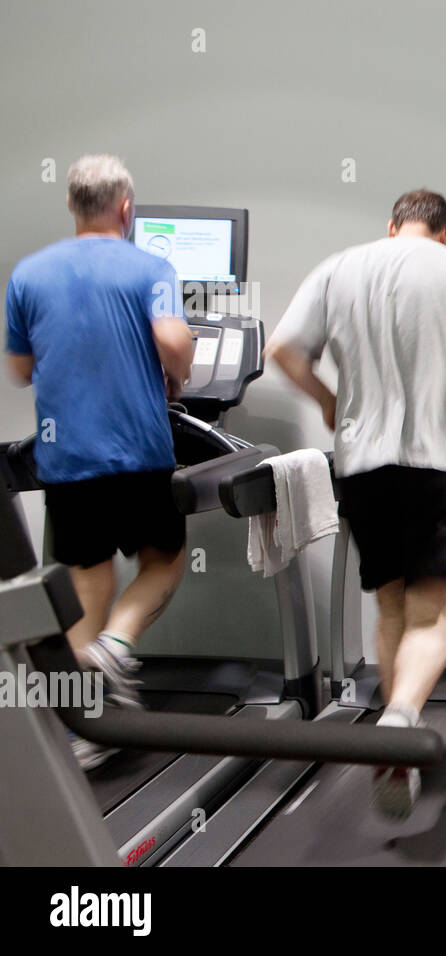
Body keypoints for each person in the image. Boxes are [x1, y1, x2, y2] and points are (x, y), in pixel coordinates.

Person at [266, 189, 446, 818]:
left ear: (393, 225)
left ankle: (390, 713)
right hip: (439, 464)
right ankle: (401, 720)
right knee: (435, 614)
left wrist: (327, 401)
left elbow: (283, 353)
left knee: (392, 604)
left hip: (365, 466)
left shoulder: (340, 267)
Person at [3, 154, 195, 769]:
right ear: (126, 208)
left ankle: (88, 730)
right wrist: (179, 369)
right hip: (138, 451)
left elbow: (21, 370)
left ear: (71, 206)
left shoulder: (28, 274)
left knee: (88, 581)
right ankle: (116, 647)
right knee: (163, 563)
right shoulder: (151, 266)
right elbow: (172, 342)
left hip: (67, 458)